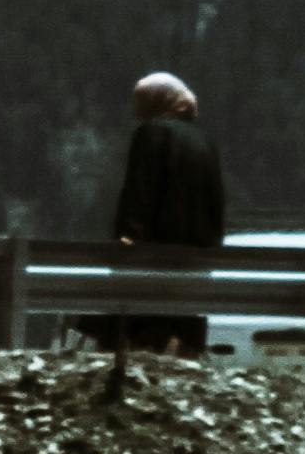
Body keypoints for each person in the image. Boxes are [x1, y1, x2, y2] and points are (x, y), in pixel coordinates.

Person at [93, 71, 228, 358]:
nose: (135, 109)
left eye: (140, 101)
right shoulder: (205, 141)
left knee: (136, 329)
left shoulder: (151, 133)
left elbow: (139, 192)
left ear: (157, 101)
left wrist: (126, 240)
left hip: (154, 255)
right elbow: (216, 202)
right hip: (196, 260)